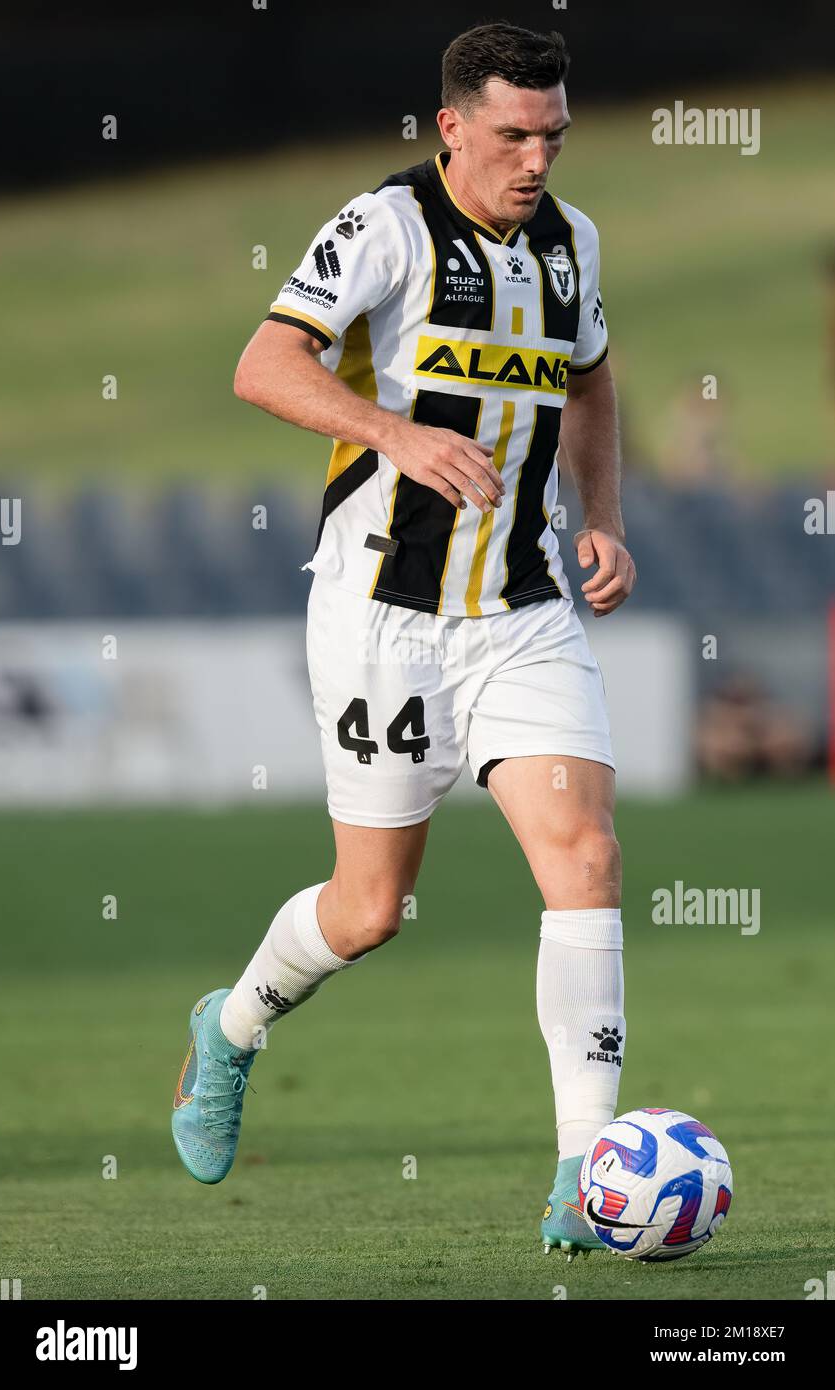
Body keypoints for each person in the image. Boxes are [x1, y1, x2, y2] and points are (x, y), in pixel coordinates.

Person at [172, 20, 636, 1260]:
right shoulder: (384, 228)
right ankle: (232, 1026)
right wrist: (397, 436)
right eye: (511, 136)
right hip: (384, 617)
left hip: (524, 609)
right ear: (450, 127)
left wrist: (604, 516)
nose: (535, 160)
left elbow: (589, 380)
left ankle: (584, 1172)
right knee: (372, 908)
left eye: (552, 136)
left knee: (585, 856)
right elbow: (263, 364)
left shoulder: (575, 244)